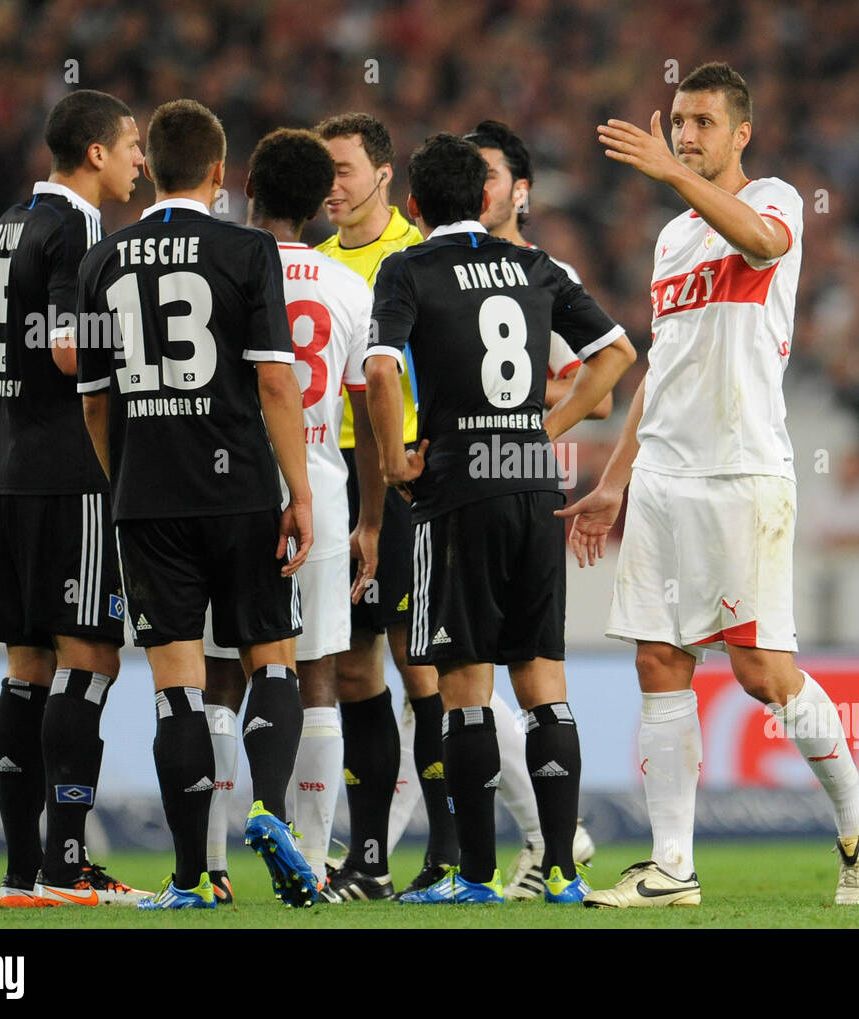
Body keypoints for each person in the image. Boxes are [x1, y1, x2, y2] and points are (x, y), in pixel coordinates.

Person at [566, 62, 859, 908]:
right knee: (659, 657)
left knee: (759, 668)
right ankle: (672, 865)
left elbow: (764, 244)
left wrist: (672, 174)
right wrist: (614, 480)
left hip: (744, 469)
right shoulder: (673, 241)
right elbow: (661, 368)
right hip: (666, 475)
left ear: (741, 133)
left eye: (703, 121)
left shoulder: (776, 199)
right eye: (678, 120)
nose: (685, 135)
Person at [367, 133, 635, 904]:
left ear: (414, 206)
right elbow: (615, 356)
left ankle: (476, 876)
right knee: (544, 682)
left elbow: (382, 368)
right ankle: (562, 869)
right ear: (486, 199)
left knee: (463, 684)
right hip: (531, 483)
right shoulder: (535, 266)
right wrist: (542, 432)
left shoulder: (408, 266)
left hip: (458, 486)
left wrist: (393, 460)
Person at [77, 99, 316, 909]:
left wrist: (124, 482)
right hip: (241, 487)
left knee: (176, 686)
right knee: (270, 657)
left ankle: (187, 879)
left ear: (151, 167)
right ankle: (267, 808)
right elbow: (276, 380)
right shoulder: (249, 250)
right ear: (220, 173)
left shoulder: (104, 259)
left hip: (148, 496)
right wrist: (301, 491)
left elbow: (95, 403)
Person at [0, 88, 148, 908]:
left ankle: (21, 872)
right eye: (133, 145)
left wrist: (2, 447)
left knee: (24, 666)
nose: (142, 160)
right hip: (71, 475)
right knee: (92, 655)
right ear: (96, 152)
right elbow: (74, 351)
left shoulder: (4, 226)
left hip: (6, 474)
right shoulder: (80, 227)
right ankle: (69, 866)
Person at [198, 128, 383, 905]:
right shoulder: (347, 286)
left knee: (217, 679)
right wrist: (371, 518)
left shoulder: (219, 271)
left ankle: (207, 868)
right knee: (317, 681)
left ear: (249, 188)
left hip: (231, 491)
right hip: (324, 495)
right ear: (319, 205)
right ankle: (307, 861)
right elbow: (368, 416)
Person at [310, 112, 455, 900]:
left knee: (419, 663)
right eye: (323, 172)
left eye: (344, 170)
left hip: (402, 483)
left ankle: (449, 853)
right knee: (355, 667)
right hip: (330, 472)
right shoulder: (317, 262)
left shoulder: (417, 256)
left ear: (383, 176)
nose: (333, 186)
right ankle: (368, 859)